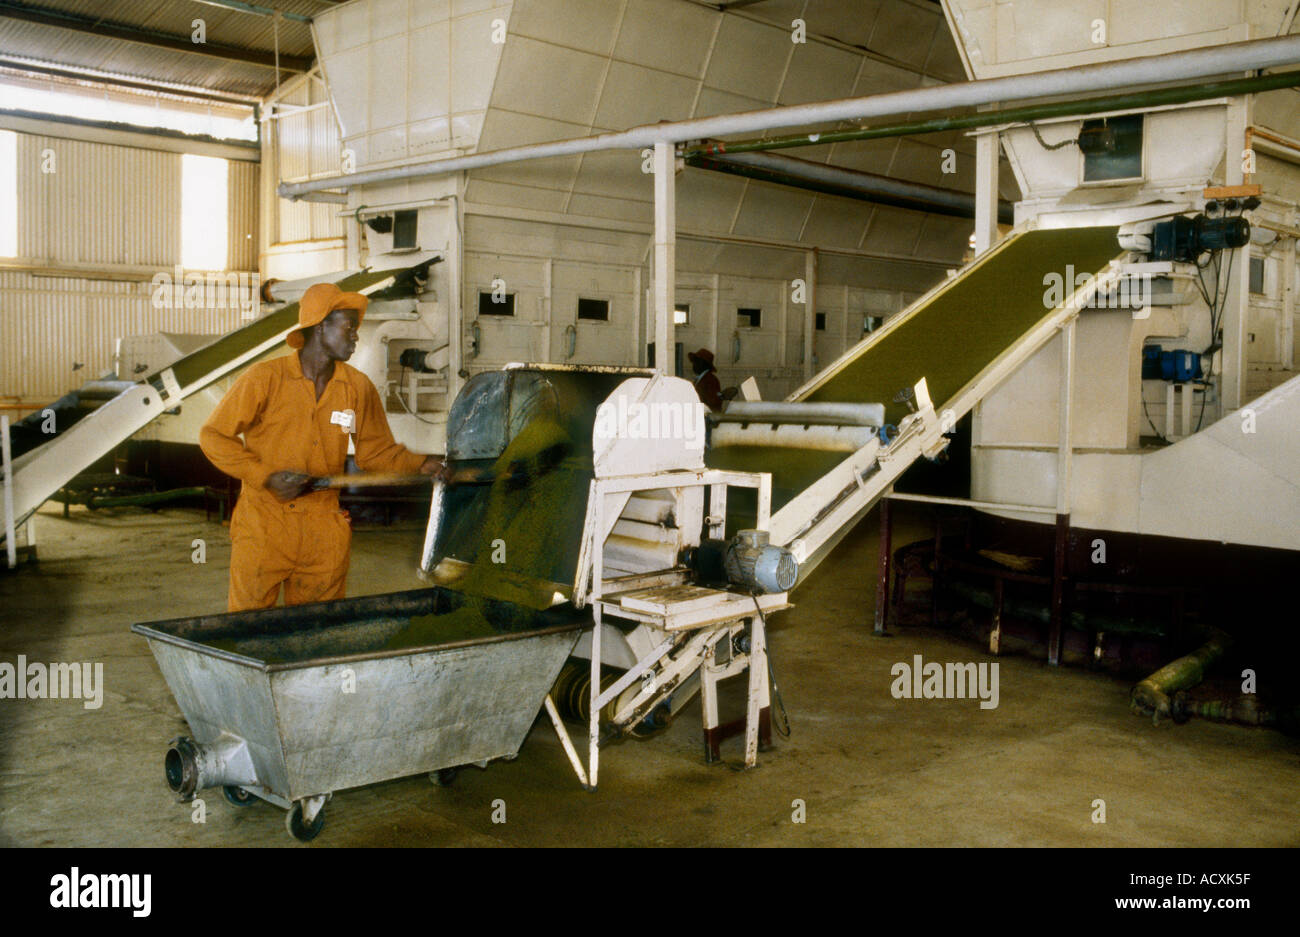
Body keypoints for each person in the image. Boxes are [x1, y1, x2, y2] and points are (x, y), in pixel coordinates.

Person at [200, 282, 443, 611]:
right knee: (248, 631)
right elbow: (214, 435)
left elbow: (375, 453)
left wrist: (421, 463)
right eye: (348, 327)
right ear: (319, 325)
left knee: (318, 631)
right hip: (263, 526)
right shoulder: (264, 379)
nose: (355, 336)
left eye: (355, 329)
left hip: (324, 530)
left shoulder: (356, 388)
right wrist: (266, 476)